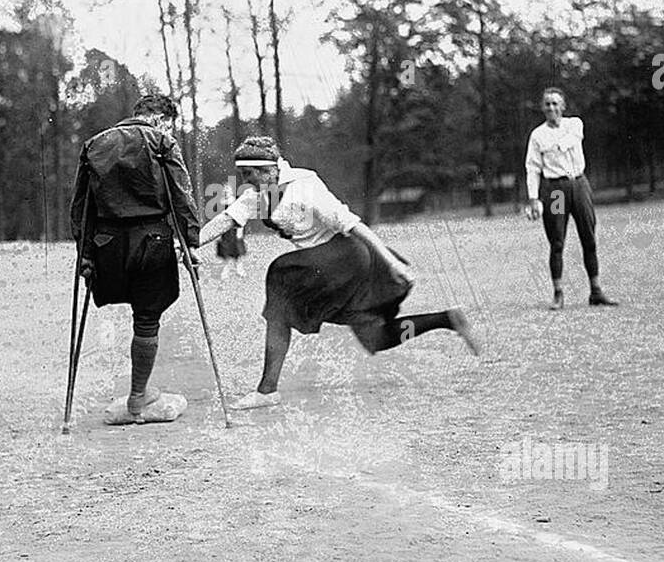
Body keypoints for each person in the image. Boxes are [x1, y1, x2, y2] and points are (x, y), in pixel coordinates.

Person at [196, 136, 482, 410]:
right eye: (242, 174)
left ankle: (267, 390)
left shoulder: (304, 186)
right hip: (329, 270)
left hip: (348, 256)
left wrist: (392, 263)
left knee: (279, 277)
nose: (245, 181)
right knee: (376, 338)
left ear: (270, 170)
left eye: (249, 174)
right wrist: (190, 243)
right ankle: (447, 319)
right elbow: (224, 220)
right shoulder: (257, 196)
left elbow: (351, 223)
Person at [70, 93, 200, 419]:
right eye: (168, 125)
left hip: (107, 246)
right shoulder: (161, 141)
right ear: (160, 119)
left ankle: (133, 398)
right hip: (152, 243)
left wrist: (84, 256)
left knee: (130, 311)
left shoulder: (95, 144)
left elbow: (80, 208)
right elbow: (181, 197)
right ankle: (138, 397)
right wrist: (191, 242)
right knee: (146, 320)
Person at [524, 86, 617, 311]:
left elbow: (572, 140)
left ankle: (595, 291)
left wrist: (554, 147)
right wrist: (533, 198)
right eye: (547, 104)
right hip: (555, 189)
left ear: (563, 106)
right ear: (542, 107)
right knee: (557, 241)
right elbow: (533, 168)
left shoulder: (574, 124)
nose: (551, 108)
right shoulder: (537, 135)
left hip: (578, 184)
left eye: (555, 103)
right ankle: (558, 293)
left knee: (589, 237)